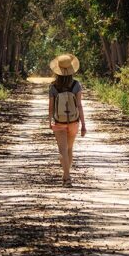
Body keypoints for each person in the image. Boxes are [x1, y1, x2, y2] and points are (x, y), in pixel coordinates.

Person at [47, 53, 86, 185]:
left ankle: (67, 176)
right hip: (74, 122)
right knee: (69, 149)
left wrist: (49, 121)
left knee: (62, 150)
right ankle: (66, 175)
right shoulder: (76, 85)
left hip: (59, 121)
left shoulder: (53, 87)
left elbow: (51, 107)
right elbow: (79, 105)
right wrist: (84, 125)